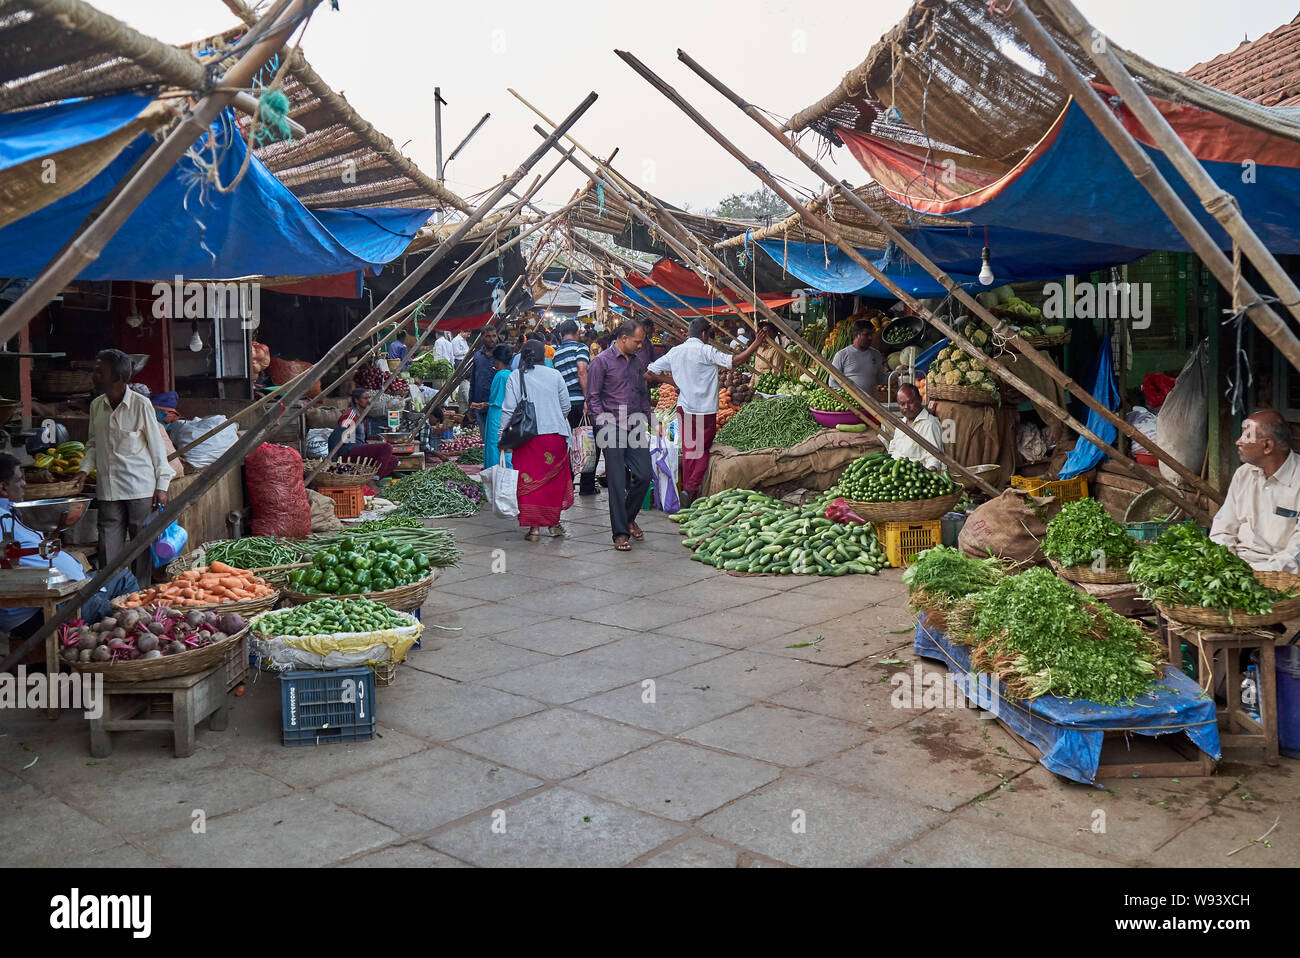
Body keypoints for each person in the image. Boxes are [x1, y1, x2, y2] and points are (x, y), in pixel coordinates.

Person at [0, 456, 138, 640]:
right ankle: (110, 646)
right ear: (3, 487)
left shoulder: (13, 512)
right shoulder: (3, 522)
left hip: (69, 589)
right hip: (39, 609)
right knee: (120, 616)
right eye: (19, 479)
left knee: (123, 579)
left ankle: (105, 631)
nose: (25, 484)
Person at [75, 348, 173, 589]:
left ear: (118, 377)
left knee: (141, 545)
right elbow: (93, 444)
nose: (94, 375)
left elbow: (157, 449)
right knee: (108, 546)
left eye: (100, 371)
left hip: (139, 489)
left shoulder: (141, 405)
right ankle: (112, 592)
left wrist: (162, 485)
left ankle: (139, 592)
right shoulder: (97, 406)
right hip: (108, 489)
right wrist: (84, 469)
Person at [646, 318, 766, 506]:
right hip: (704, 411)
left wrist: (672, 381)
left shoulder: (675, 352)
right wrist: (755, 345)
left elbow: (650, 371)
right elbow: (735, 361)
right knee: (701, 451)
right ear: (703, 334)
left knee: (689, 451)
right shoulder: (705, 350)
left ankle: (687, 489)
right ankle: (690, 490)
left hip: (684, 408)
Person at [587, 320, 653, 552]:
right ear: (623, 338)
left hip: (634, 426)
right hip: (611, 427)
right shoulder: (601, 362)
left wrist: (650, 419)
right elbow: (593, 397)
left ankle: (627, 516)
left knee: (645, 475)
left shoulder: (637, 363)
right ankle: (620, 533)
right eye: (637, 342)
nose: (640, 346)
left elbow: (643, 394)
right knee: (616, 481)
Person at [499, 340, 573, 541]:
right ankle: (554, 523)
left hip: (527, 438)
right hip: (554, 436)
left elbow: (508, 410)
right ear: (545, 356)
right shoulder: (555, 375)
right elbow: (566, 407)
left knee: (529, 481)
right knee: (553, 483)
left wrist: (502, 437)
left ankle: (534, 529)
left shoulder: (516, 376)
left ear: (522, 356)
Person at [1210, 410, 1300, 573]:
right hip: (1236, 569)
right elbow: (1223, 528)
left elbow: (1295, 554)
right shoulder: (1244, 474)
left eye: (1246, 437)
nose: (1238, 442)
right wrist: (1226, 564)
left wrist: (1253, 573)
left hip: (1281, 575)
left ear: (1267, 446)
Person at [553, 320, 597, 496]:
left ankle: (569, 482)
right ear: (577, 332)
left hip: (565, 404)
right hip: (580, 401)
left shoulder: (557, 353)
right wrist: (587, 398)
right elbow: (582, 370)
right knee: (589, 442)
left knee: (571, 443)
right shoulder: (580, 348)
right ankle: (586, 486)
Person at [329, 389, 398, 478]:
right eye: (365, 398)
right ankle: (374, 478)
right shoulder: (351, 415)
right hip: (348, 452)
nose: (368, 401)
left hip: (358, 449)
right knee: (386, 447)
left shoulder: (361, 415)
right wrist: (334, 462)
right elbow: (334, 438)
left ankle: (368, 480)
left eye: (369, 398)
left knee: (393, 460)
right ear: (356, 400)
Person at [882, 383, 945, 471]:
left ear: (920, 400)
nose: (906, 407)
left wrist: (929, 474)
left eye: (910, 402)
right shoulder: (901, 423)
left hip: (917, 476)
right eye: (902, 404)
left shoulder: (929, 424)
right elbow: (893, 450)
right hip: (897, 473)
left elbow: (934, 457)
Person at [478, 345, 514, 470]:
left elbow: (497, 401)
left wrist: (486, 404)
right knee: (505, 450)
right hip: (505, 414)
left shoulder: (500, 375)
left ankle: (494, 478)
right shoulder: (510, 374)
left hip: (496, 416)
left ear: (497, 360)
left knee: (494, 448)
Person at [831, 318, 885, 396]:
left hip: (872, 404)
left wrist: (896, 373)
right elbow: (833, 382)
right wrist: (846, 397)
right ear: (856, 335)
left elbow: (880, 379)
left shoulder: (876, 354)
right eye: (866, 335)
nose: (870, 338)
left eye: (871, 334)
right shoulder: (842, 355)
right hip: (850, 405)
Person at [468, 326, 501, 435]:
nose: (491, 339)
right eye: (488, 336)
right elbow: (473, 381)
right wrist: (470, 405)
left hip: (496, 407)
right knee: (485, 438)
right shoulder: (478, 356)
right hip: (479, 406)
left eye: (494, 336)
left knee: (496, 439)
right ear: (482, 337)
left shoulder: (500, 355)